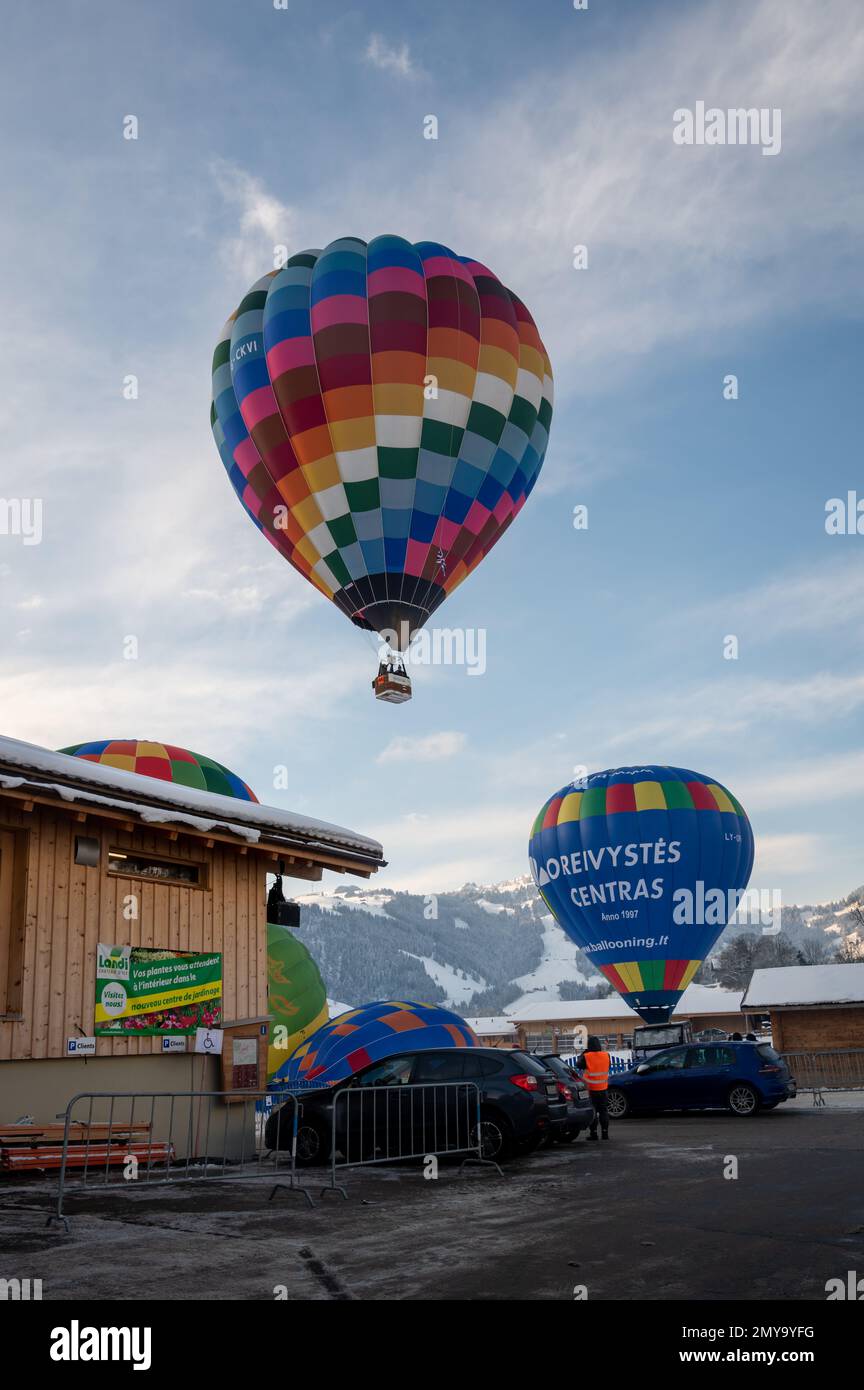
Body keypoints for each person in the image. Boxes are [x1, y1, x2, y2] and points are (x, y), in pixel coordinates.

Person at [577, 1035, 611, 1140]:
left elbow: (578, 1064)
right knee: (604, 1111)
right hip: (603, 1088)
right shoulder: (606, 1055)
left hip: (590, 1090)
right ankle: (605, 1134)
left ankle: (594, 1133)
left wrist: (584, 1052)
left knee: (593, 1112)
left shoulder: (587, 1056)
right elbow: (608, 1066)